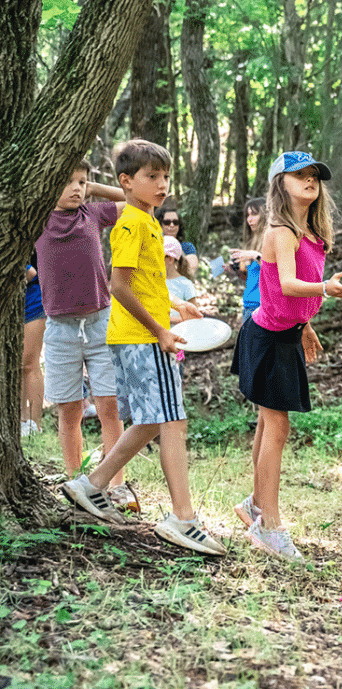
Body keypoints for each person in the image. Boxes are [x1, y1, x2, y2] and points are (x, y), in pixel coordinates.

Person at [60, 139, 226, 556]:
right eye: (152, 176)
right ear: (126, 182)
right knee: (171, 420)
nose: (163, 184)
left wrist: (174, 303)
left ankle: (92, 484)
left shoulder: (147, 221)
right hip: (142, 337)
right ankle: (183, 518)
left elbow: (144, 283)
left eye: (166, 176)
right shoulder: (132, 222)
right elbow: (119, 285)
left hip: (140, 334)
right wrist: (160, 330)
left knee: (154, 420)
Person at [231, 152, 342, 560]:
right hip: (266, 338)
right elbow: (286, 284)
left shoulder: (311, 233)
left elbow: (282, 291)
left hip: (284, 334)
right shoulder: (281, 230)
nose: (309, 181)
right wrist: (324, 289)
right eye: (299, 175)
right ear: (279, 185)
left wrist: (305, 323)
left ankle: (255, 505)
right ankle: (268, 524)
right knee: (276, 426)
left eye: (314, 176)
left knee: (270, 426)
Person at [37, 160, 130, 507]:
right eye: (70, 182)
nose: (77, 188)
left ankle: (115, 483)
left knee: (109, 404)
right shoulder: (39, 218)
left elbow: (140, 200)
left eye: (82, 181)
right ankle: (77, 480)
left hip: (100, 322)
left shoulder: (92, 212)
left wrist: (94, 188)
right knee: (70, 409)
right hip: (60, 328)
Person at [229, 197, 266, 323]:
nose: (249, 219)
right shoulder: (251, 242)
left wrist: (255, 255)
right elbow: (251, 278)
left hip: (264, 306)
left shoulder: (272, 240)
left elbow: (274, 270)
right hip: (249, 304)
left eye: (254, 214)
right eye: (247, 215)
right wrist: (235, 269)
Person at [20, 262, 44, 438]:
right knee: (14, 365)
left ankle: (34, 424)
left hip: (32, 295)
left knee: (28, 362)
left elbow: (30, 273)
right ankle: (20, 420)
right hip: (11, 297)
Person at [163, 237, 202, 324]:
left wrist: (165, 320)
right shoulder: (153, 282)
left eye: (157, 256)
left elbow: (194, 317)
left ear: (170, 259)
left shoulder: (186, 284)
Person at [157, 206, 198, 276]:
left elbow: (191, 271)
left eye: (176, 222)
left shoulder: (187, 247)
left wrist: (175, 247)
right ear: (160, 225)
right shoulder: (153, 245)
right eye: (167, 222)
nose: (172, 225)